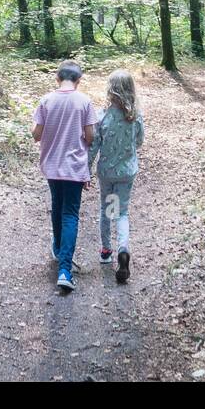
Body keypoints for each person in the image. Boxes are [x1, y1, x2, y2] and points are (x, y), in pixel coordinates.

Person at [31, 60, 99, 292]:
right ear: (78, 81)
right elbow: (90, 137)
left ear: (57, 78)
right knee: (70, 213)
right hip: (74, 166)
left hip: (51, 165)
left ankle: (59, 250)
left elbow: (36, 135)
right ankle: (64, 270)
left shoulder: (46, 100)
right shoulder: (85, 102)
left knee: (57, 206)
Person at [89, 69, 143, 285]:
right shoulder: (135, 116)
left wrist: (86, 168)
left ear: (110, 89)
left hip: (107, 172)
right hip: (127, 172)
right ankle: (123, 248)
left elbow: (94, 146)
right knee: (121, 212)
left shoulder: (102, 116)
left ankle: (106, 251)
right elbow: (139, 141)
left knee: (106, 209)